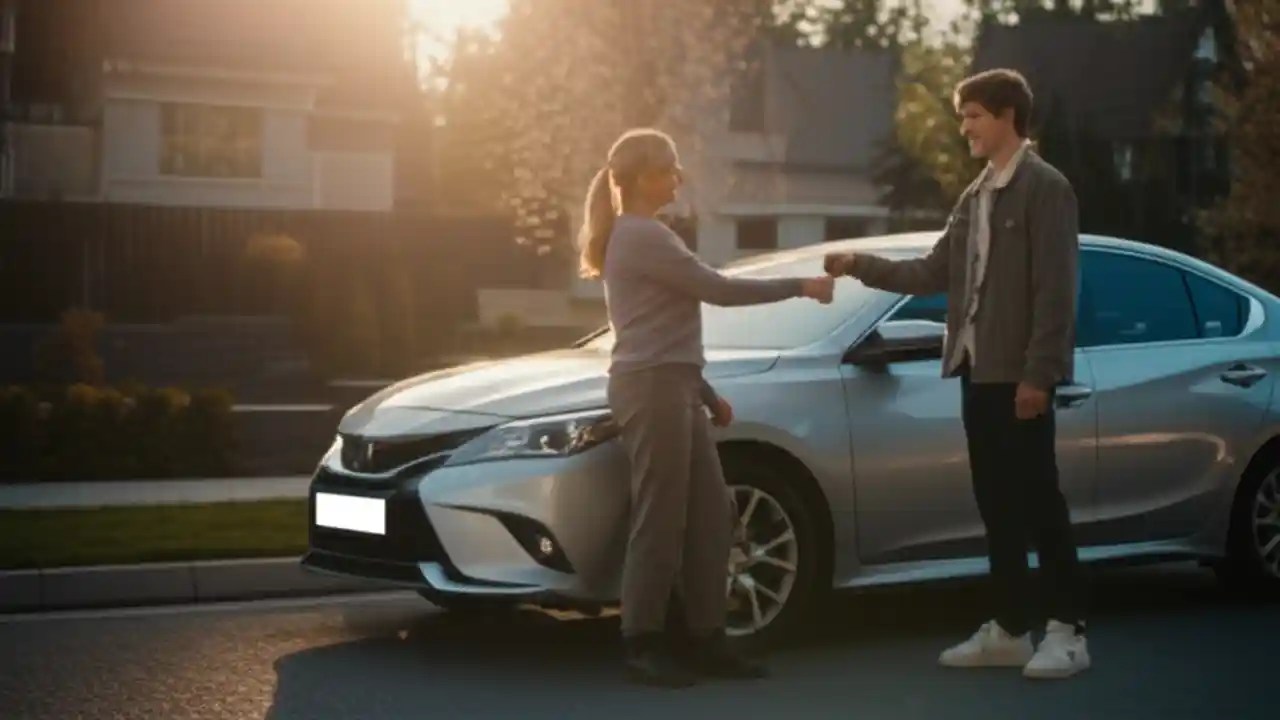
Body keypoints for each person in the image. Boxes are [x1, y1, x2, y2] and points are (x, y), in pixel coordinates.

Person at [824, 69, 1089, 680]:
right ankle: (1010, 629)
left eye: (972, 115)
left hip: (1021, 377)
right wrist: (859, 263)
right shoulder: (975, 196)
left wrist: (1039, 376)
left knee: (1039, 503)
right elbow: (929, 272)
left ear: (1005, 117)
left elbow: (1056, 293)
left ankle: (1068, 631)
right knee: (997, 505)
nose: (964, 127)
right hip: (976, 371)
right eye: (962, 115)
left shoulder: (1047, 189)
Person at [580, 128, 834, 688]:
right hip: (650, 388)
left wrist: (704, 392)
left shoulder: (645, 233)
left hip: (671, 384)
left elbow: (664, 329)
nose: (678, 178)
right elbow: (717, 290)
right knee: (661, 515)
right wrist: (801, 286)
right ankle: (642, 642)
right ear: (645, 178)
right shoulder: (642, 234)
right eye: (671, 169)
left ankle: (707, 637)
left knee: (712, 515)